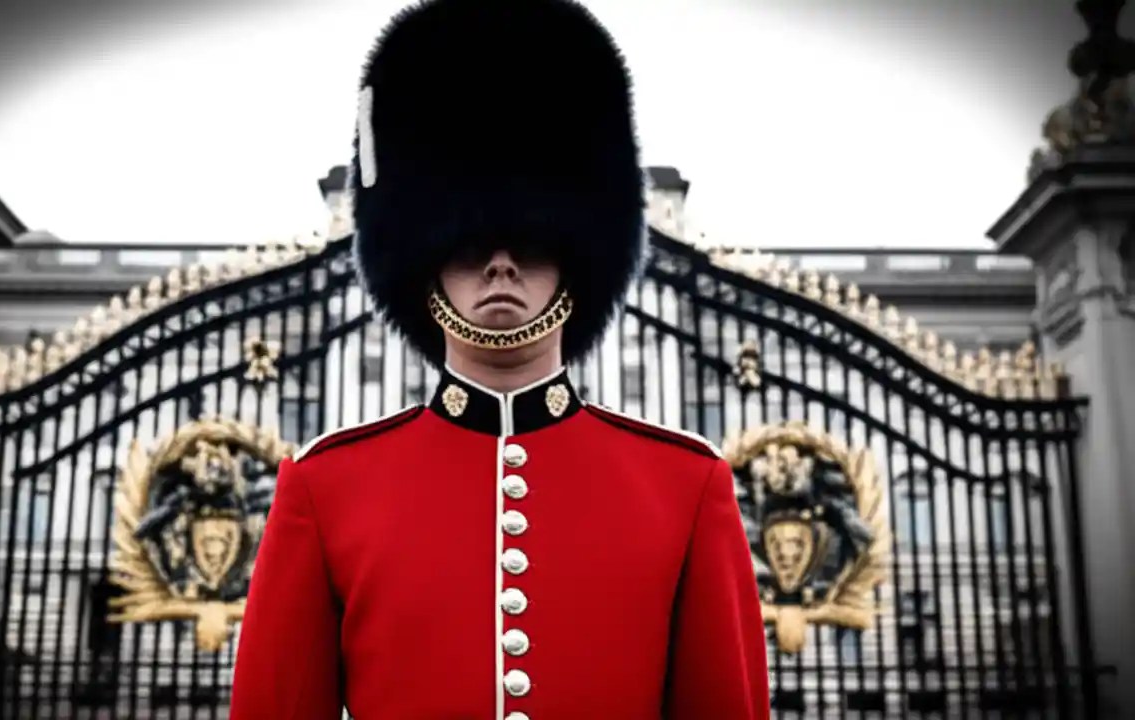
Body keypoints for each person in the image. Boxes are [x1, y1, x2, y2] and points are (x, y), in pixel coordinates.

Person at [229, 0, 771, 717]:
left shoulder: (686, 485)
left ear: (577, 259)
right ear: (423, 263)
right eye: (466, 245)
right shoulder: (325, 487)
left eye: (534, 244)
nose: (501, 265)